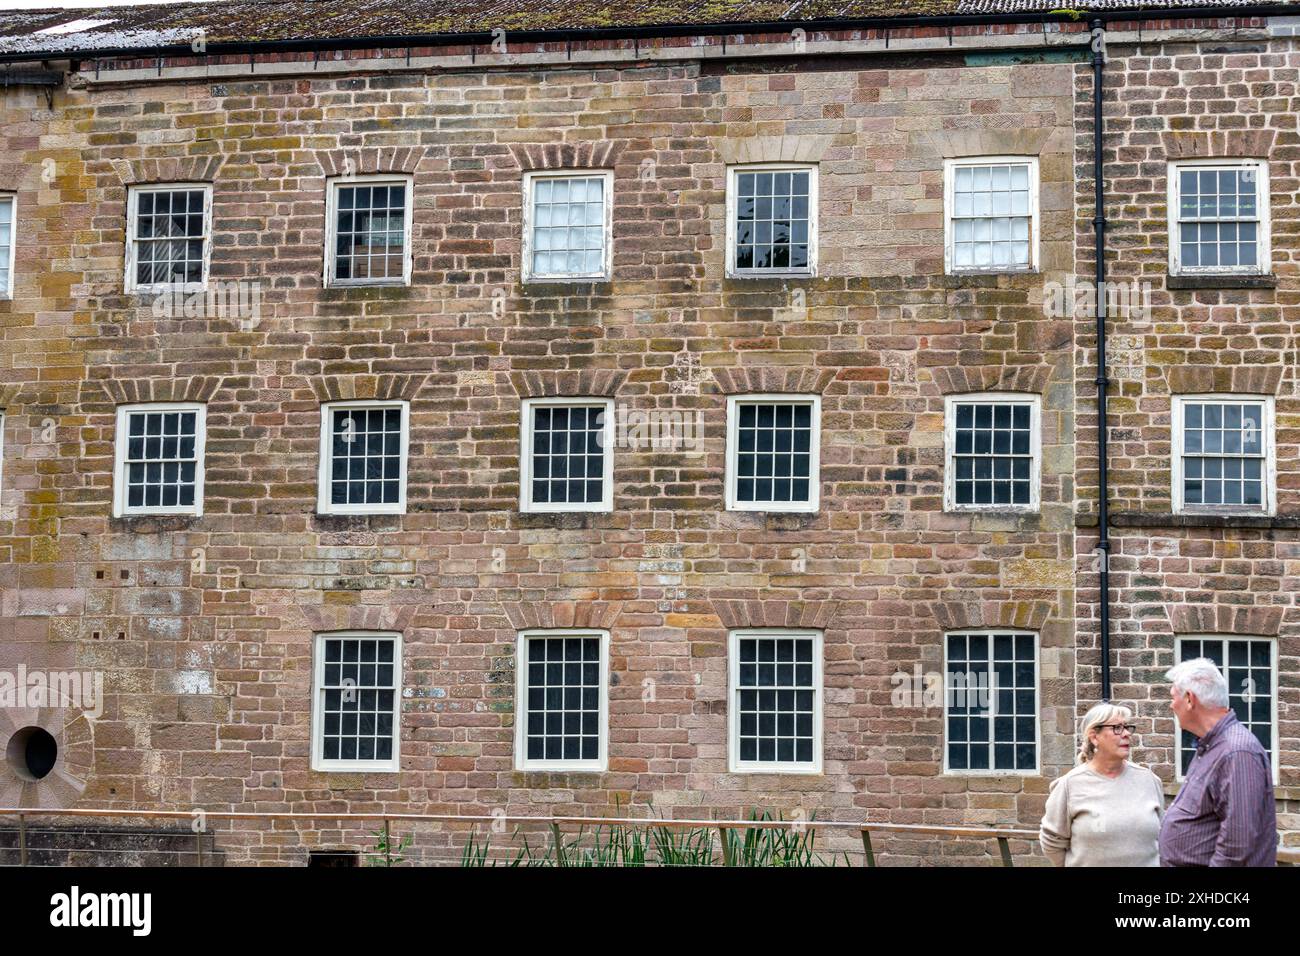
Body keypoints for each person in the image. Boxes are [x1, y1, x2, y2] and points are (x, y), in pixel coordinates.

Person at [1159, 657, 1277, 866]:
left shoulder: (1237, 752)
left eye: (1173, 697)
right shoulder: (1211, 746)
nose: (1171, 705)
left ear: (1189, 699)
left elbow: (1236, 850)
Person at [1039, 702, 1164, 866]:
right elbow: (1052, 842)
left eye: (1127, 727)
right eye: (1117, 728)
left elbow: (1163, 836)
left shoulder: (1148, 780)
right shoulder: (1070, 785)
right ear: (1094, 736)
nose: (1126, 733)